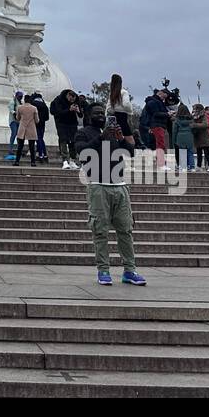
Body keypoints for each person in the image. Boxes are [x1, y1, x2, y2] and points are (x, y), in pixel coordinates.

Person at [74, 105, 146, 287]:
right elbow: (82, 154)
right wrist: (101, 137)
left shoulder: (113, 134)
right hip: (98, 185)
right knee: (100, 230)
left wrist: (122, 139)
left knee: (126, 230)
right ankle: (103, 270)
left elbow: (130, 153)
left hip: (120, 185)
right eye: (97, 113)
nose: (101, 116)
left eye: (103, 113)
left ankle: (129, 270)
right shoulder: (83, 133)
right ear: (89, 116)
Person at [142, 87, 171, 172]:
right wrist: (167, 114)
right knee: (160, 143)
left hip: (159, 125)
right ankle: (161, 163)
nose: (164, 99)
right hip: (157, 124)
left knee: (161, 143)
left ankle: (161, 162)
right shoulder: (153, 102)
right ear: (160, 93)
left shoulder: (157, 102)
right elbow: (155, 113)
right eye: (164, 97)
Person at [108, 74, 134, 158]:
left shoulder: (112, 93)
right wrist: (130, 111)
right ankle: (130, 157)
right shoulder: (123, 92)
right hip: (122, 117)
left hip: (114, 117)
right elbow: (126, 104)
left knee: (116, 138)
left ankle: (119, 156)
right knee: (130, 139)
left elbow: (108, 108)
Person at [52, 90, 79, 169]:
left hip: (72, 124)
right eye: (70, 100)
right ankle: (65, 160)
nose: (72, 102)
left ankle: (72, 160)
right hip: (61, 123)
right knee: (63, 140)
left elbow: (80, 115)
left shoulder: (76, 100)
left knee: (73, 142)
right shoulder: (58, 100)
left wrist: (78, 111)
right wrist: (69, 110)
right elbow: (58, 112)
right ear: (68, 96)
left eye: (73, 101)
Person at [13, 94, 39, 167]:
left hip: (22, 128)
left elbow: (18, 118)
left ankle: (17, 161)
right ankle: (33, 162)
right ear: (30, 100)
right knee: (32, 146)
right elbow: (37, 120)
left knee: (20, 146)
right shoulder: (34, 108)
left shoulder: (20, 107)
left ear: (24, 100)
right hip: (31, 128)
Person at [172, 102, 196, 172]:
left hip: (180, 137)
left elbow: (174, 132)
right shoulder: (191, 120)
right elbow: (194, 129)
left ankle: (183, 167)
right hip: (189, 136)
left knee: (182, 152)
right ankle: (192, 167)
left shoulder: (177, 121)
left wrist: (174, 141)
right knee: (190, 152)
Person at [191, 103, 209, 172]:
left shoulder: (204, 116)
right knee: (199, 153)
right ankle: (199, 166)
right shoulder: (193, 116)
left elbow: (205, 124)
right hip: (197, 137)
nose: (193, 110)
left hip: (204, 137)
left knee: (206, 152)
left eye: (195, 108)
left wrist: (195, 125)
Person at [32, 92, 52, 164]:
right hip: (42, 123)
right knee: (41, 139)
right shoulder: (44, 105)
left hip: (36, 123)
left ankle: (40, 155)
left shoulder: (33, 103)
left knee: (38, 139)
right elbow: (47, 117)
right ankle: (45, 155)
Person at [6, 90, 22, 161]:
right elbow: (11, 110)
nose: (20, 98)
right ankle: (10, 149)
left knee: (19, 135)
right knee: (14, 133)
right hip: (13, 121)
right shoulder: (12, 102)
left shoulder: (20, 102)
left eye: (21, 97)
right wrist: (16, 113)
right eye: (19, 97)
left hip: (18, 121)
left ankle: (19, 149)